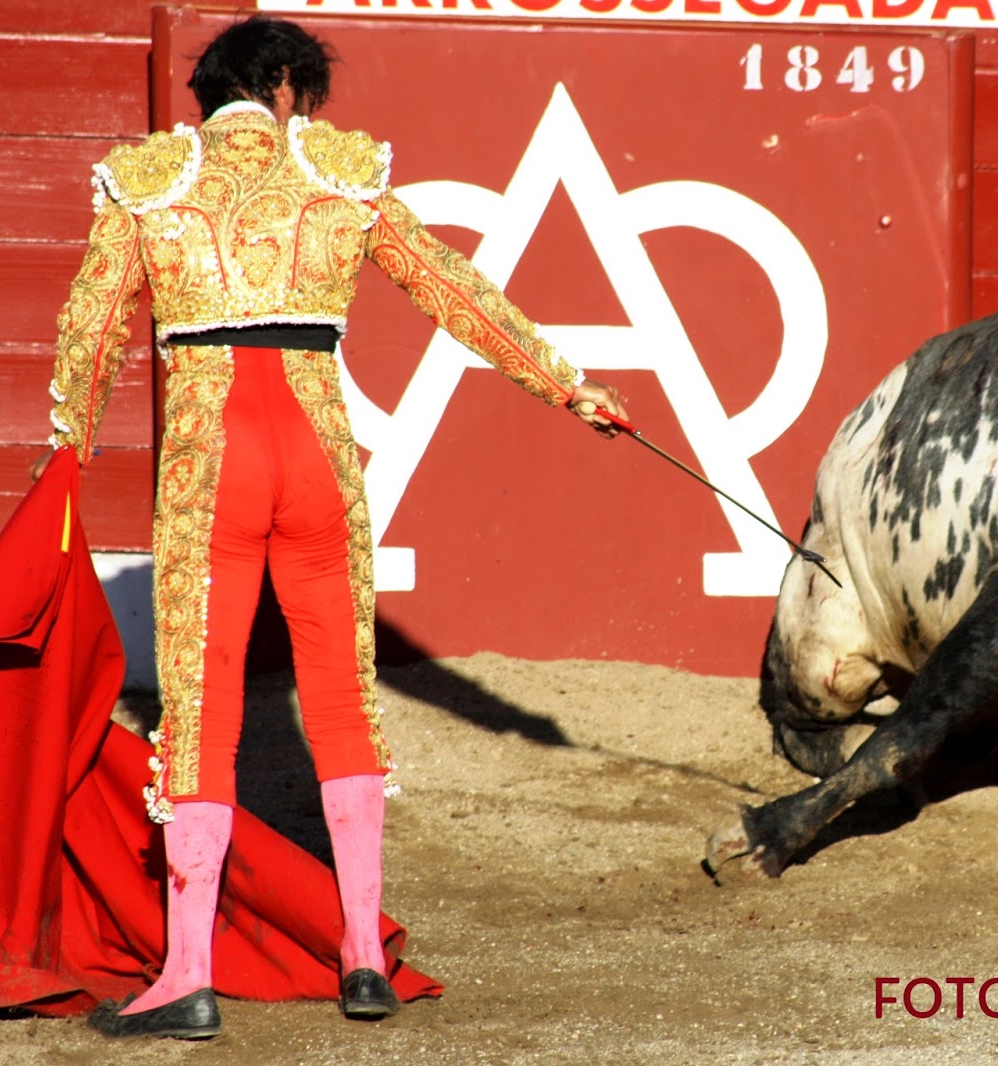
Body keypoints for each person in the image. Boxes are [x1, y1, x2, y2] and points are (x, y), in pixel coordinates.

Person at [44, 14, 628, 1039]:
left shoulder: (147, 181)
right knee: (343, 695)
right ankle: (362, 956)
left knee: (202, 709)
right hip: (316, 457)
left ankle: (186, 973)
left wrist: (68, 454)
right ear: (281, 86)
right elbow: (450, 285)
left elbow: (91, 328)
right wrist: (568, 387)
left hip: (210, 461)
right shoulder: (341, 177)